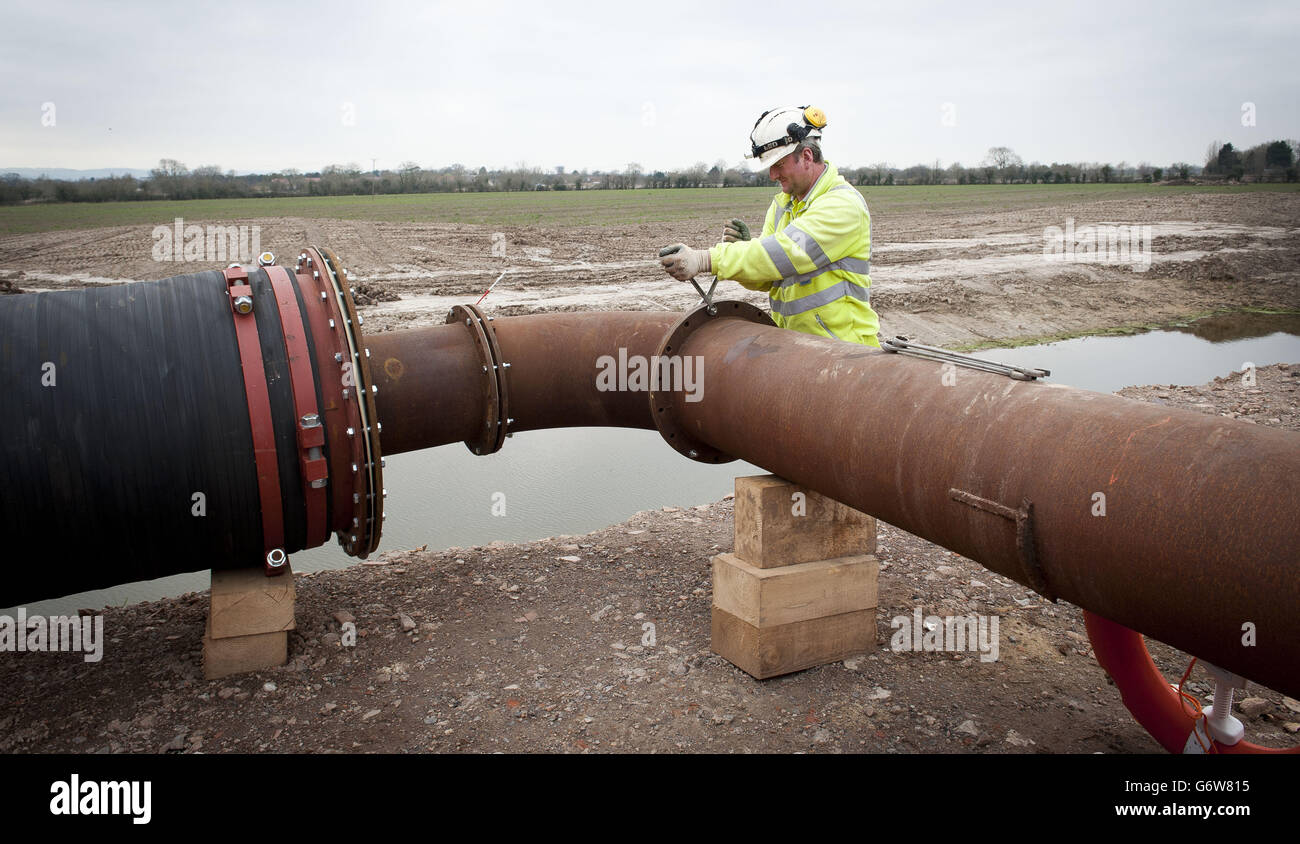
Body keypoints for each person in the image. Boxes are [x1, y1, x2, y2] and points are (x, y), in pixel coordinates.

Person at [659, 105, 880, 346]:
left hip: (846, 353)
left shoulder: (842, 205)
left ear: (806, 156)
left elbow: (785, 253)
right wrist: (746, 247)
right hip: (801, 348)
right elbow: (767, 276)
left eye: (778, 165)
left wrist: (706, 259)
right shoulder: (783, 206)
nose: (772, 175)